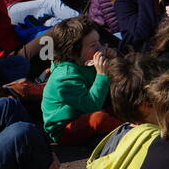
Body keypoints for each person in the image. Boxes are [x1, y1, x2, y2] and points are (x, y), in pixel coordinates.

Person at [40, 16, 121, 146]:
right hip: (66, 127)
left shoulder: (85, 61)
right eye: (93, 45)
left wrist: (113, 61)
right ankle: (134, 133)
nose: (100, 47)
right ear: (73, 51)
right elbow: (91, 106)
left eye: (99, 42)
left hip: (88, 108)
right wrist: (102, 74)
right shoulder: (64, 78)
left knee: (124, 104)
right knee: (99, 119)